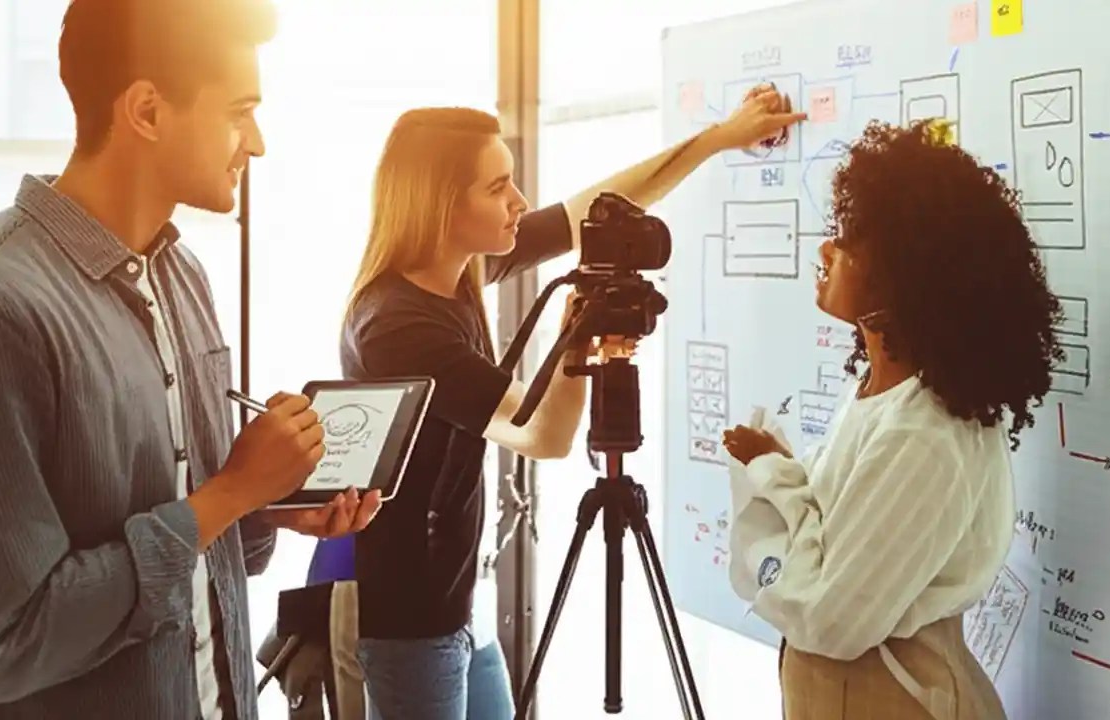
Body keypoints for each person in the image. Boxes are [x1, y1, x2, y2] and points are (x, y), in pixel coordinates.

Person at [341, 95, 805, 719]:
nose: (520, 203)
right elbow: (542, 434)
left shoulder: (458, 269)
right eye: (499, 186)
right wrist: (576, 341)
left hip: (453, 604)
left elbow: (595, 208)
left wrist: (719, 139)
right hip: (410, 622)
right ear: (443, 208)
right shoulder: (397, 325)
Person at [0, 1, 380, 717]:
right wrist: (230, 494)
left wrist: (266, 505)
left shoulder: (182, 274)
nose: (255, 143)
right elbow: (8, 646)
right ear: (147, 111)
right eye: (240, 111)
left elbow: (213, 545)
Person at [721, 119, 1062, 720]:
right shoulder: (880, 390)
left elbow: (830, 619)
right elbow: (837, 535)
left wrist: (774, 481)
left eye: (847, 239)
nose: (825, 250)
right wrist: (782, 472)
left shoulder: (923, 434)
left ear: (906, 273)